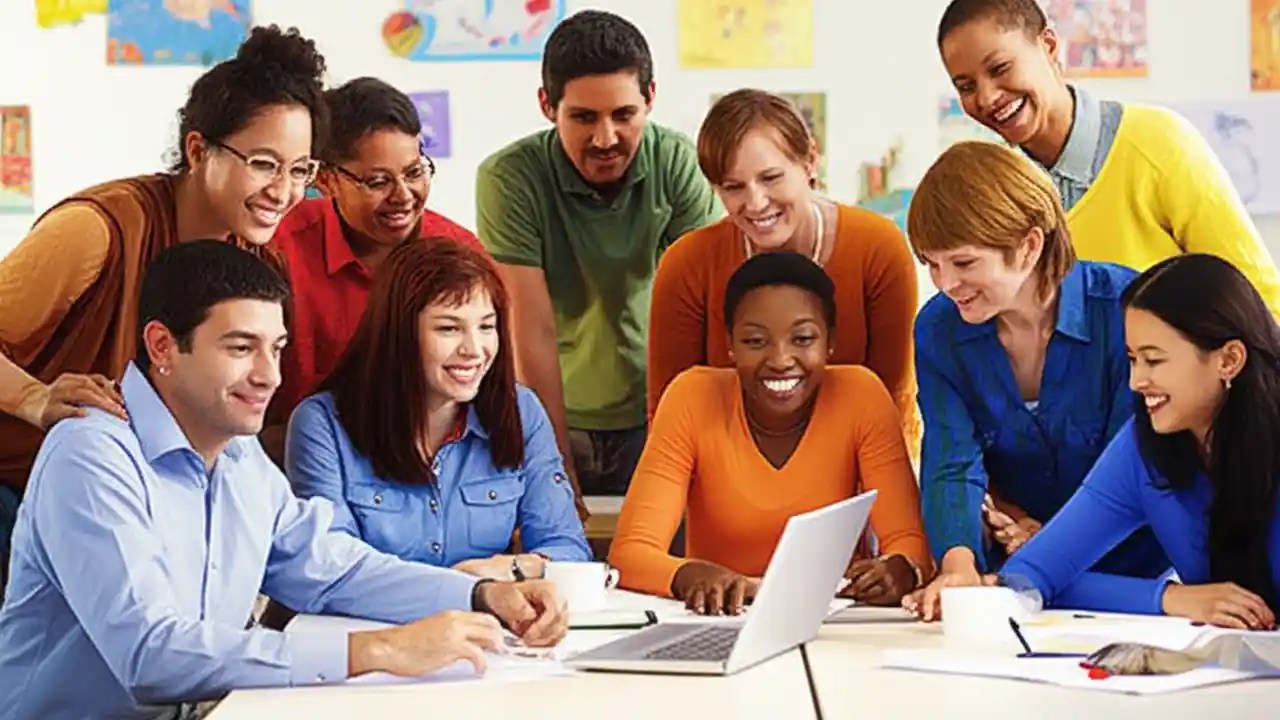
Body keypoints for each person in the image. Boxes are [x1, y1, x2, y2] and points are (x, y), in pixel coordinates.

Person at [0, 241, 568, 720]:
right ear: (162, 347)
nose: (269, 376)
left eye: (277, 348)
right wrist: (378, 649)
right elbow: (150, 654)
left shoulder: (240, 455)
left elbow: (332, 568)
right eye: (241, 348)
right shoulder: (91, 453)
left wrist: (483, 596)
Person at [0, 25, 326, 573]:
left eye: (300, 171)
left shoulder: (258, 264)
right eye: (264, 164)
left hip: (132, 496)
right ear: (197, 149)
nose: (284, 191)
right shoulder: (98, 231)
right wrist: (34, 398)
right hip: (18, 485)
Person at [926, 254, 1280, 628]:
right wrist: (1172, 598)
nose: (1136, 382)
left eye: (1154, 361)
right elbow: (1026, 577)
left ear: (1229, 360)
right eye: (1132, 359)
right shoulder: (1141, 449)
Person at [903, 141, 1169, 617]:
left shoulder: (1127, 308)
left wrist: (1054, 542)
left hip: (1133, 580)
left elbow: (1135, 466)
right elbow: (950, 461)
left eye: (963, 263)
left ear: (1028, 244)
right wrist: (958, 566)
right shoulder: (938, 328)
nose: (945, 283)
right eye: (931, 264)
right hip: (1016, 577)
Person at [476, 9, 722, 510]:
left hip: (656, 407)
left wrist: (690, 440)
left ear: (650, 99)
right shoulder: (509, 178)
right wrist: (553, 464)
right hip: (555, 410)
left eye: (624, 115)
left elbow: (706, 309)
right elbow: (531, 328)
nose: (606, 138)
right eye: (583, 117)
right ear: (548, 106)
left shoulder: (678, 163)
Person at [609, 252, 932, 615]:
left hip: (837, 622)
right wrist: (687, 575)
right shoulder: (691, 397)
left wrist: (901, 569)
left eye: (802, 338)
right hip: (720, 619)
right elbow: (631, 553)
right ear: (730, 343)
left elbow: (910, 543)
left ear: (830, 341)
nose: (780, 359)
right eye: (755, 341)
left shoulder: (861, 395)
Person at [936, 0, 1280, 316]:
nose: (987, 97)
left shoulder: (1157, 144)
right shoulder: (994, 192)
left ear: (1050, 46)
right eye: (966, 86)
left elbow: (1258, 300)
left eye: (999, 68)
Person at [285, 240, 591, 584]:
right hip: (371, 632)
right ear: (399, 332)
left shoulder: (522, 411)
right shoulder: (321, 424)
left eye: (486, 327)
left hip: (492, 631)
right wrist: (460, 590)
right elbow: (333, 567)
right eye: (449, 328)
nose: (474, 350)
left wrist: (512, 569)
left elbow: (568, 549)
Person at [647, 89, 919, 454]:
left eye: (771, 177)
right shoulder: (688, 264)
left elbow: (894, 401)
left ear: (809, 163)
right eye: (733, 187)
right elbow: (669, 415)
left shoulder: (878, 249)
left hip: (853, 472)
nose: (756, 203)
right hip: (727, 475)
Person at [267, 77, 485, 456]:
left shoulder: (462, 254)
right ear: (327, 178)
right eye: (378, 181)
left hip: (431, 464)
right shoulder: (278, 246)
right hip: (290, 463)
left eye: (415, 172)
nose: (403, 196)